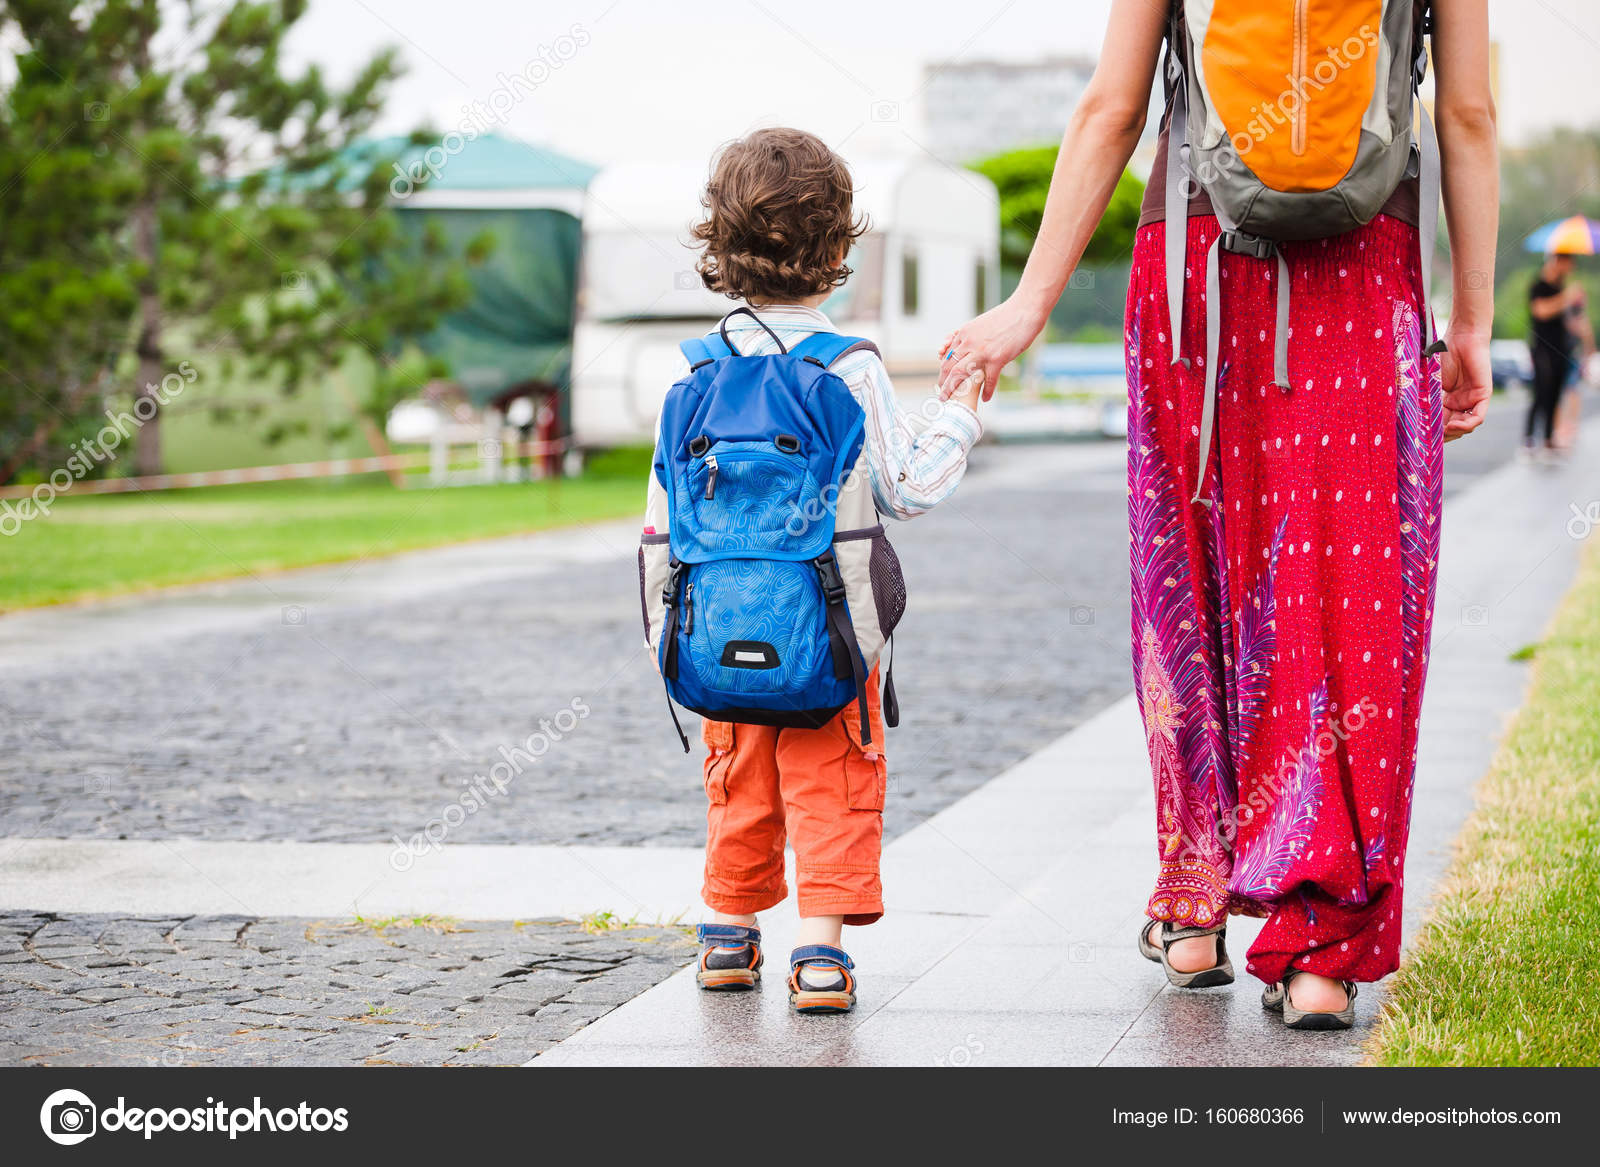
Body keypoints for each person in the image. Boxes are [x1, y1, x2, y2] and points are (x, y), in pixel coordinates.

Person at [936, 0, 1496, 1029]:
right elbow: (1464, 116)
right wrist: (1470, 320)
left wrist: (1030, 304)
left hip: (1194, 268)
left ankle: (1193, 904)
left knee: (1187, 579)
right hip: (1365, 271)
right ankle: (1318, 949)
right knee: (1340, 597)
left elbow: (1110, 108)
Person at [655, 128, 985, 1014]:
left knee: (738, 774)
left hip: (717, 629)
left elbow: (662, 524)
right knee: (833, 779)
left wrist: (665, 631)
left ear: (718, 249)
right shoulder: (848, 366)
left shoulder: (692, 375)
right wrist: (957, 415)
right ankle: (820, 958)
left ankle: (727, 936)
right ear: (840, 249)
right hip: (833, 630)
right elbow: (907, 486)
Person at [1528, 250, 1582, 455]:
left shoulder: (1561, 287)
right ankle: (1530, 438)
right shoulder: (1539, 285)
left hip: (1561, 348)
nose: (1571, 267)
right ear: (1557, 261)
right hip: (1542, 348)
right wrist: (1566, 297)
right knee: (1541, 391)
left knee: (1555, 394)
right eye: (1569, 262)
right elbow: (1540, 311)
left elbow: (1568, 321)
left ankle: (1549, 439)